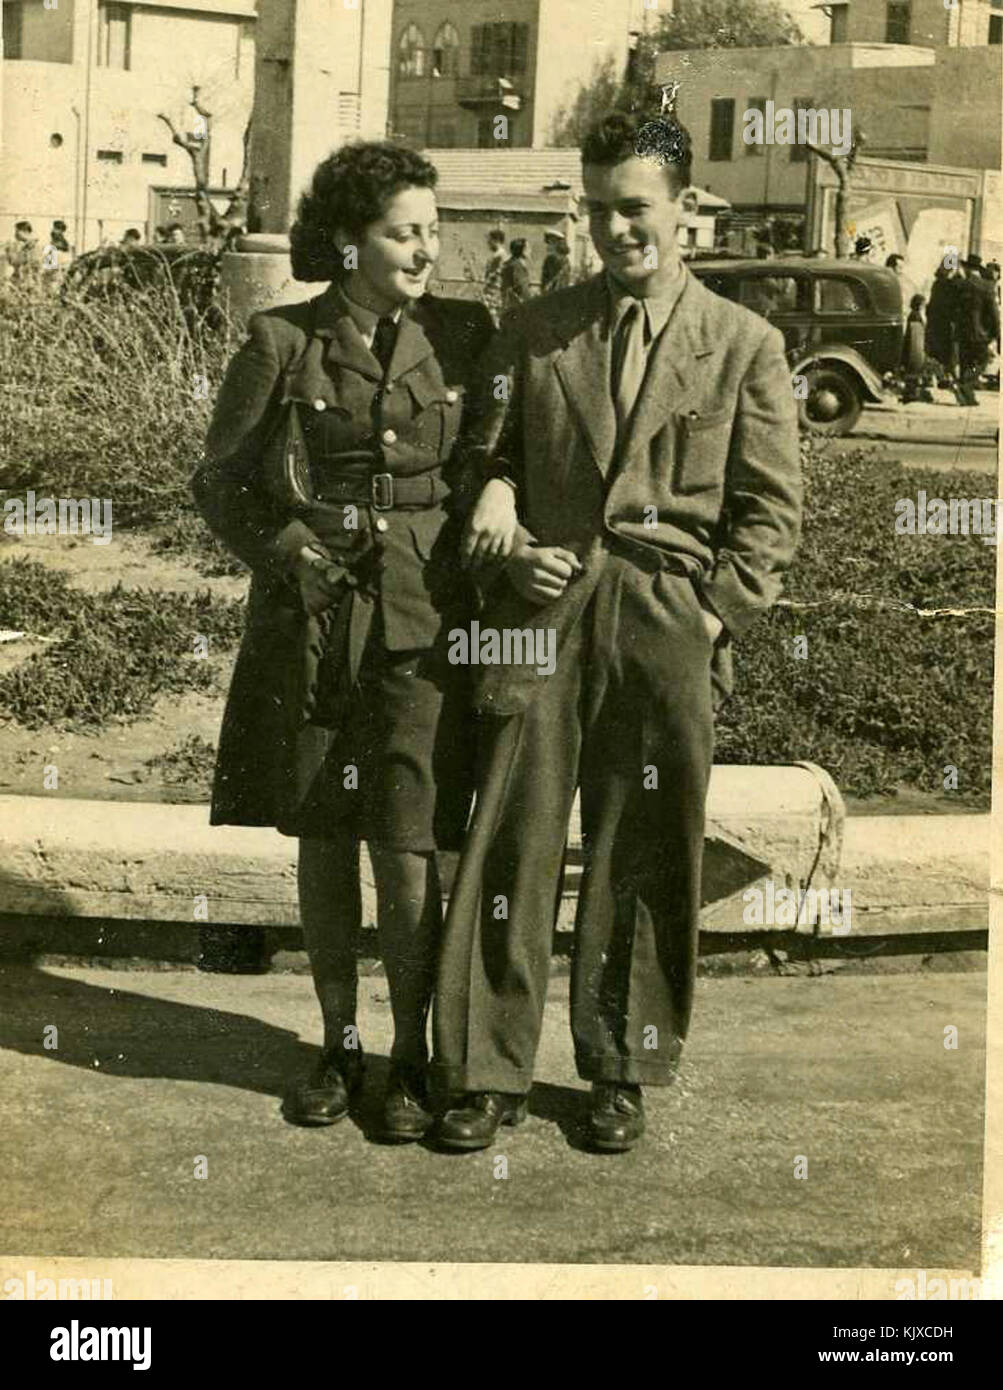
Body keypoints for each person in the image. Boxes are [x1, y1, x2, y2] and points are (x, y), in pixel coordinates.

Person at [431, 109, 802, 1154]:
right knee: (512, 838)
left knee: (643, 848)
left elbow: (770, 513)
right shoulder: (536, 329)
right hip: (541, 613)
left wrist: (711, 614)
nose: (613, 229)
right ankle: (486, 1066)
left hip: (663, 620)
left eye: (633, 208)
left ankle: (622, 1064)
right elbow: (482, 455)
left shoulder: (745, 346)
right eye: (595, 208)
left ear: (684, 209)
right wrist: (496, 506)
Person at [191, 141, 495, 1142]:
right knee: (324, 834)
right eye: (403, 232)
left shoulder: (463, 333)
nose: (424, 250)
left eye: (431, 230)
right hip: (315, 618)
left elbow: (501, 454)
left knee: (408, 840)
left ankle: (412, 1056)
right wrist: (292, 555)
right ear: (352, 241)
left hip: (421, 616)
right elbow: (221, 484)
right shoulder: (281, 340)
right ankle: (338, 1041)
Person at [956, 253, 1000, 406]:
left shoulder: (960, 284)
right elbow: (994, 314)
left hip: (961, 331)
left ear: (966, 267)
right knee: (983, 360)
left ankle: (967, 396)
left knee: (965, 362)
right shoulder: (986, 287)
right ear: (979, 270)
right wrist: (998, 335)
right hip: (980, 333)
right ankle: (965, 385)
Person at [925, 263, 962, 388]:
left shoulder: (937, 284)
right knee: (947, 351)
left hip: (935, 322)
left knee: (936, 351)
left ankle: (937, 376)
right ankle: (945, 376)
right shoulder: (951, 285)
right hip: (945, 322)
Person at [900, 294, 933, 404]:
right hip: (913, 347)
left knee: (912, 372)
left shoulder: (913, 315)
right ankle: (911, 394)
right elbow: (916, 334)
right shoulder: (915, 316)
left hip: (910, 346)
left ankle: (910, 393)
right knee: (913, 371)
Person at [3, 221, 42, 286]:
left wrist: (9, 253)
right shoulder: (25, 245)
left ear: (25, 231)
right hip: (24, 280)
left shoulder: (32, 246)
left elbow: (19, 262)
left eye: (17, 231)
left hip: (28, 281)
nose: (15, 234)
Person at [482, 228, 506, 326]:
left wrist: (487, 282)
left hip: (494, 292)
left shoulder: (500, 256)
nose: (488, 243)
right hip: (491, 292)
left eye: (490, 241)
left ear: (496, 241)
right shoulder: (496, 255)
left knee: (493, 317)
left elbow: (496, 273)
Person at [500, 236, 531, 312]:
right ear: (523, 251)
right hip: (517, 304)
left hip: (509, 302)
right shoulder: (517, 266)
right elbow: (521, 287)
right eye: (528, 248)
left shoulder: (510, 263)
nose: (530, 251)